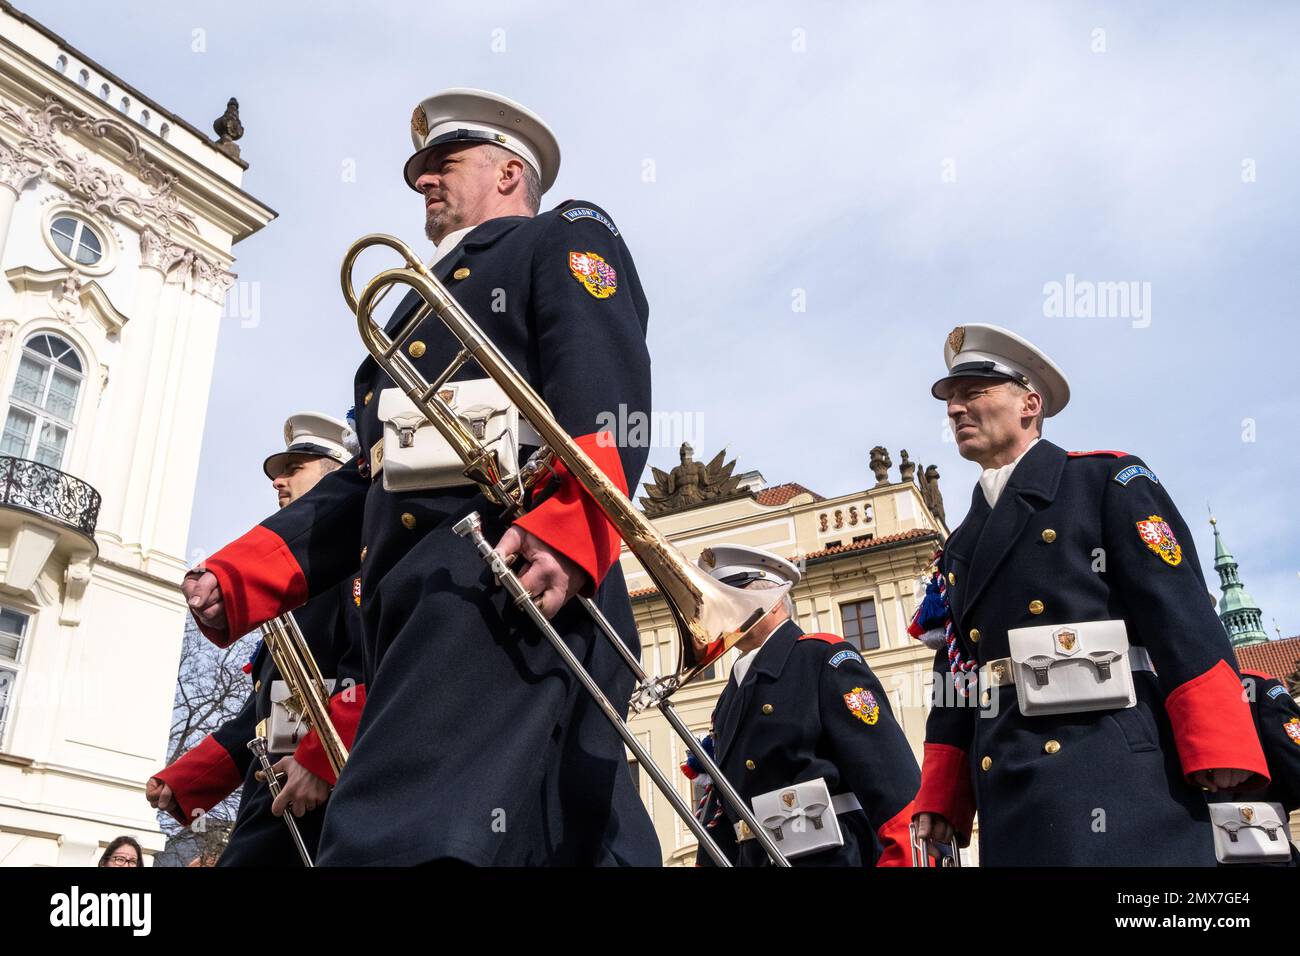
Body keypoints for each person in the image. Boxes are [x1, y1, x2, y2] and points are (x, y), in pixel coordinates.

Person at [181, 89, 660, 866]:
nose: (423, 182)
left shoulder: (561, 237)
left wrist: (571, 529)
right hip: (416, 613)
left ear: (509, 172)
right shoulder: (408, 315)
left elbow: (602, 392)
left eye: (443, 164)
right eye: (419, 171)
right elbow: (367, 485)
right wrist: (241, 574)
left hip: (506, 583)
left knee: (402, 840)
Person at [911, 324, 1268, 865]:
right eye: (950, 400)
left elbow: (1180, 615)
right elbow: (957, 671)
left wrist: (1220, 746)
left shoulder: (1106, 482)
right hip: (1008, 779)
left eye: (973, 393)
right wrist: (941, 792)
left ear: (1029, 402)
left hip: (1111, 763)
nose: (955, 410)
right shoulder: (960, 543)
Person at [150, 413, 365, 865]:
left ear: (336, 474)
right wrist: (189, 778)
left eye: (295, 467)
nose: (278, 481)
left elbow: (369, 669)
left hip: (324, 786)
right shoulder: (293, 591)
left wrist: (321, 756)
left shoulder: (355, 565)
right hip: (279, 782)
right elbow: (267, 712)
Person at [689, 545, 919, 866]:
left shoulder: (822, 658)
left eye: (726, 600)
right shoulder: (730, 696)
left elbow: (890, 778)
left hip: (833, 855)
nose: (715, 613)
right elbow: (725, 806)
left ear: (768, 602)